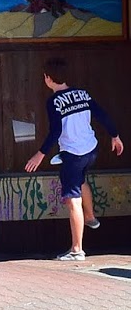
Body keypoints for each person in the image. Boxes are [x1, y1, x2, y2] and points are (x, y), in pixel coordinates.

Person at [25, 55, 123, 259]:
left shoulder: (54, 101)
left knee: (72, 200)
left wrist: (39, 155)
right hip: (91, 150)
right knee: (80, 181)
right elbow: (102, 115)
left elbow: (55, 131)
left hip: (73, 154)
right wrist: (115, 135)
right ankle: (91, 217)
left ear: (48, 78)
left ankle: (77, 250)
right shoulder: (83, 94)